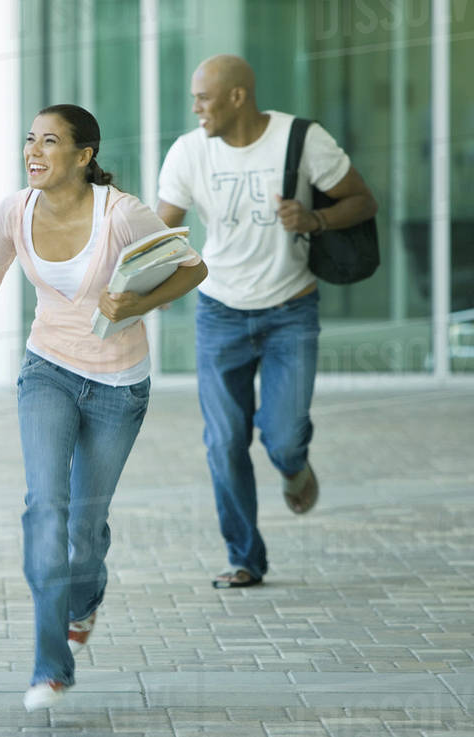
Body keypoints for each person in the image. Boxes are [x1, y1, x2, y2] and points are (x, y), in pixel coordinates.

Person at [0, 104, 206, 712]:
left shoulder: (123, 213)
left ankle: (84, 602)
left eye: (51, 142)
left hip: (119, 386)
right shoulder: (15, 211)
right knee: (45, 509)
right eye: (30, 140)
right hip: (47, 372)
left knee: (84, 532)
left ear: (84, 156)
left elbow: (194, 268)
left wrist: (133, 307)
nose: (34, 151)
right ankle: (49, 666)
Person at [155, 54, 377, 590]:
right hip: (218, 312)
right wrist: (144, 287)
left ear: (237, 96)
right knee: (223, 440)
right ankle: (244, 557)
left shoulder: (301, 139)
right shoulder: (188, 152)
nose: (195, 108)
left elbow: (362, 201)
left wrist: (316, 218)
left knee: (280, 437)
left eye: (203, 97)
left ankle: (294, 466)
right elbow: (161, 232)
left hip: (290, 311)